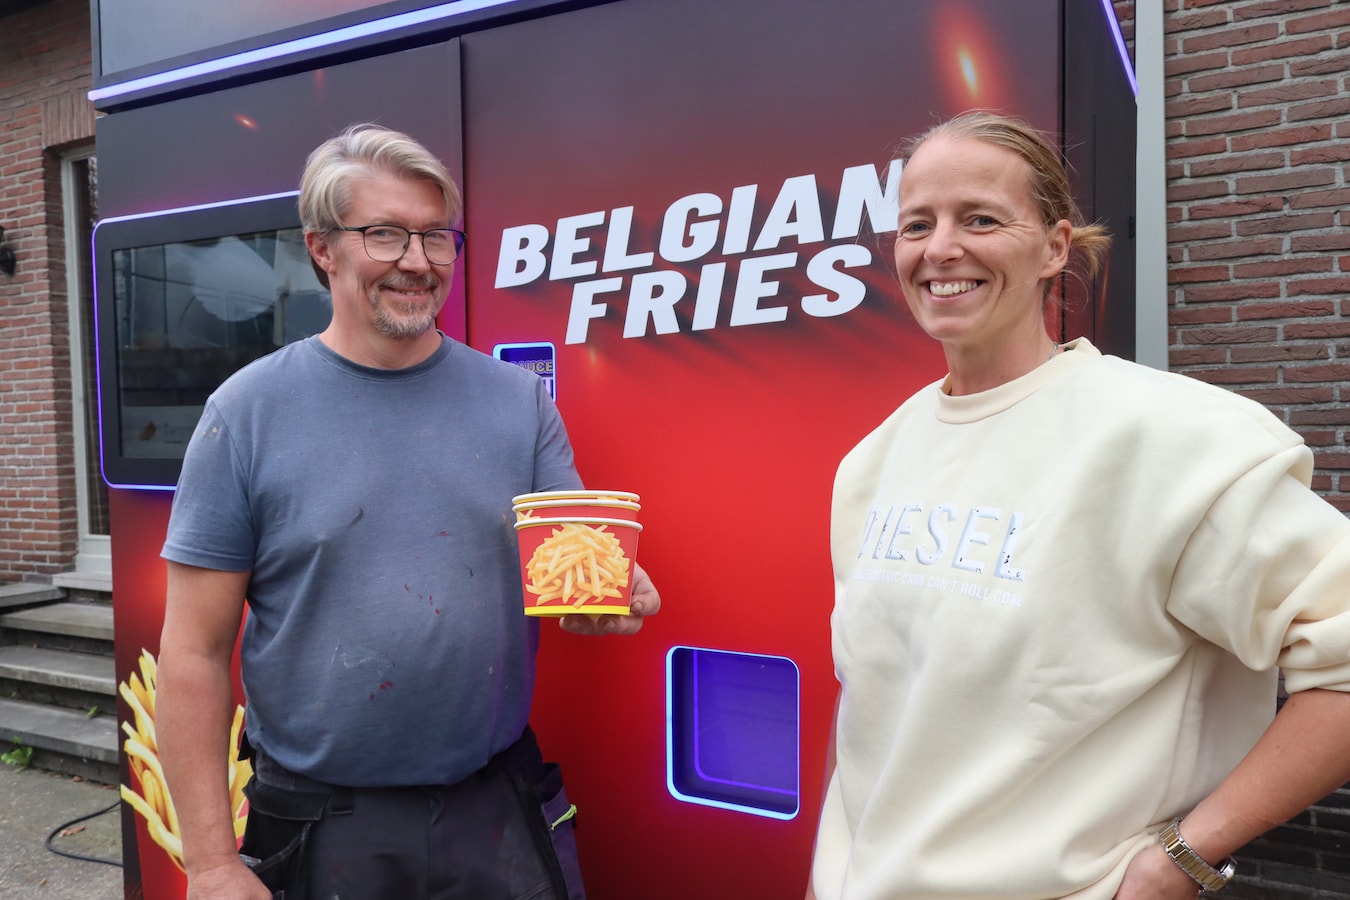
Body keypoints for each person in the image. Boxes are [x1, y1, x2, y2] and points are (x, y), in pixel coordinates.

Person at [806, 111, 1350, 900]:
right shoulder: (873, 462)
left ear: (1055, 248)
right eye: (917, 224)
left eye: (981, 219)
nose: (940, 249)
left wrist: (1186, 861)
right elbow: (873, 707)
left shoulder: (1176, 440)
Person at [155, 123, 660, 900]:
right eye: (384, 234)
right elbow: (191, 653)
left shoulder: (518, 403)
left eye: (436, 237)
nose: (418, 262)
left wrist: (613, 596)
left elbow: (573, 564)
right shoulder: (246, 413)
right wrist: (213, 864)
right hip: (321, 824)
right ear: (322, 248)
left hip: (498, 805)